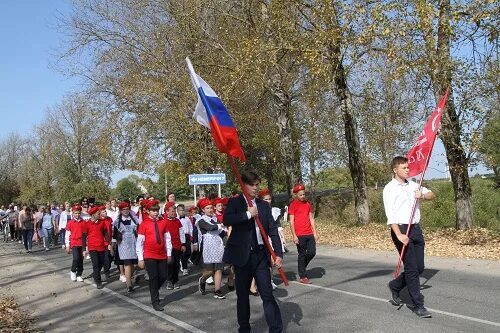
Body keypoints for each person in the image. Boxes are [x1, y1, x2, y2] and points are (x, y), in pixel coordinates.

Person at [223, 171, 283, 333]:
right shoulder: (235, 203)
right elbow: (227, 220)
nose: (255, 188)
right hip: (242, 258)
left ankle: (276, 329)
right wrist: (248, 214)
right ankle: (244, 328)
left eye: (257, 185)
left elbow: (273, 231)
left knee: (267, 295)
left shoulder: (263, 206)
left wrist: (278, 254)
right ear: (243, 185)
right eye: (252, 185)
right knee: (243, 297)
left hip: (260, 257)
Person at [383, 156, 435, 318]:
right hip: (401, 229)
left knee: (419, 268)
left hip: (415, 229)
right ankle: (417, 304)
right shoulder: (389, 188)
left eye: (408, 167)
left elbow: (432, 194)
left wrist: (423, 196)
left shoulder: (414, 185)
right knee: (412, 269)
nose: (407, 170)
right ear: (395, 169)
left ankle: (395, 285)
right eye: (404, 168)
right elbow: (390, 215)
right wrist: (398, 234)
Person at [136, 200, 172, 311]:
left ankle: (154, 289)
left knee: (163, 276)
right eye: (153, 211)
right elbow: (139, 243)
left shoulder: (163, 222)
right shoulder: (144, 224)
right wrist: (140, 259)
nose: (155, 213)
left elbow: (168, 238)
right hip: (149, 254)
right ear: (148, 211)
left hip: (161, 254)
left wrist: (169, 253)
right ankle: (155, 301)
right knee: (153, 277)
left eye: (157, 210)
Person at [197, 198, 227, 299]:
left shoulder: (215, 219)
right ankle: (203, 279)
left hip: (218, 245)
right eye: (207, 208)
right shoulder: (201, 221)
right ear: (202, 210)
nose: (210, 210)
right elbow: (210, 228)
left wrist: (228, 232)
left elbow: (221, 232)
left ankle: (217, 290)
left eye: (211, 208)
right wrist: (221, 225)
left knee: (219, 268)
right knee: (210, 271)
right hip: (207, 247)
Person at [288, 184, 317, 284]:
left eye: (304, 194)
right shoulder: (293, 205)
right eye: (300, 195)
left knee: (312, 252)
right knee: (302, 254)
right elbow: (291, 221)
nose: (303, 196)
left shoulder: (308, 204)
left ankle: (301, 268)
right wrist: (294, 235)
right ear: (296, 195)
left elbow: (311, 219)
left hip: (309, 233)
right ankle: (303, 276)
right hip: (299, 235)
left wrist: (315, 233)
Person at [113, 201, 139, 293]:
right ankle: (129, 285)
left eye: (127, 209)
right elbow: (114, 235)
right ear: (120, 210)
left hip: (134, 243)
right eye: (123, 209)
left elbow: (138, 231)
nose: (125, 211)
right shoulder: (117, 222)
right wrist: (113, 245)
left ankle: (129, 277)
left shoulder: (135, 219)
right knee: (127, 264)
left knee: (135, 264)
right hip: (123, 245)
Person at [86, 206, 109, 289]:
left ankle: (95, 274)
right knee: (95, 264)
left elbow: (105, 232)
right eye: (98, 213)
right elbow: (84, 236)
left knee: (102, 262)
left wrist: (108, 242)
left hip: (101, 246)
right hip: (92, 247)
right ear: (93, 214)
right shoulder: (87, 223)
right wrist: (84, 249)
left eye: (99, 213)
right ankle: (98, 281)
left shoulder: (102, 222)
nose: (99, 215)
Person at [164, 202, 185, 289]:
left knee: (176, 264)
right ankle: (169, 280)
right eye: (172, 211)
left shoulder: (177, 221)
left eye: (174, 211)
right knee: (170, 263)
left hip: (177, 245)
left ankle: (175, 280)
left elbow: (181, 233)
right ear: (167, 212)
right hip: (168, 247)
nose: (174, 213)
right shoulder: (164, 222)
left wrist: (183, 244)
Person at [65, 205, 87, 282]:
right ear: (73, 213)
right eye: (75, 213)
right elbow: (67, 234)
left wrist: (86, 245)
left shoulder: (84, 222)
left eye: (78, 213)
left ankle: (79, 274)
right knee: (76, 258)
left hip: (82, 243)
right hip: (74, 242)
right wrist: (67, 245)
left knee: (81, 259)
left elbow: (85, 234)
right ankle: (73, 271)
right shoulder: (70, 222)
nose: (77, 215)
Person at [177, 204, 193, 276]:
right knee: (183, 253)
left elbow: (190, 228)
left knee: (189, 252)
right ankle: (184, 268)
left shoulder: (187, 218)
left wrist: (192, 236)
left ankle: (183, 262)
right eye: (180, 210)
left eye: (183, 210)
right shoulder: (176, 219)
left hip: (187, 236)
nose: (182, 212)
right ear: (177, 211)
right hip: (179, 237)